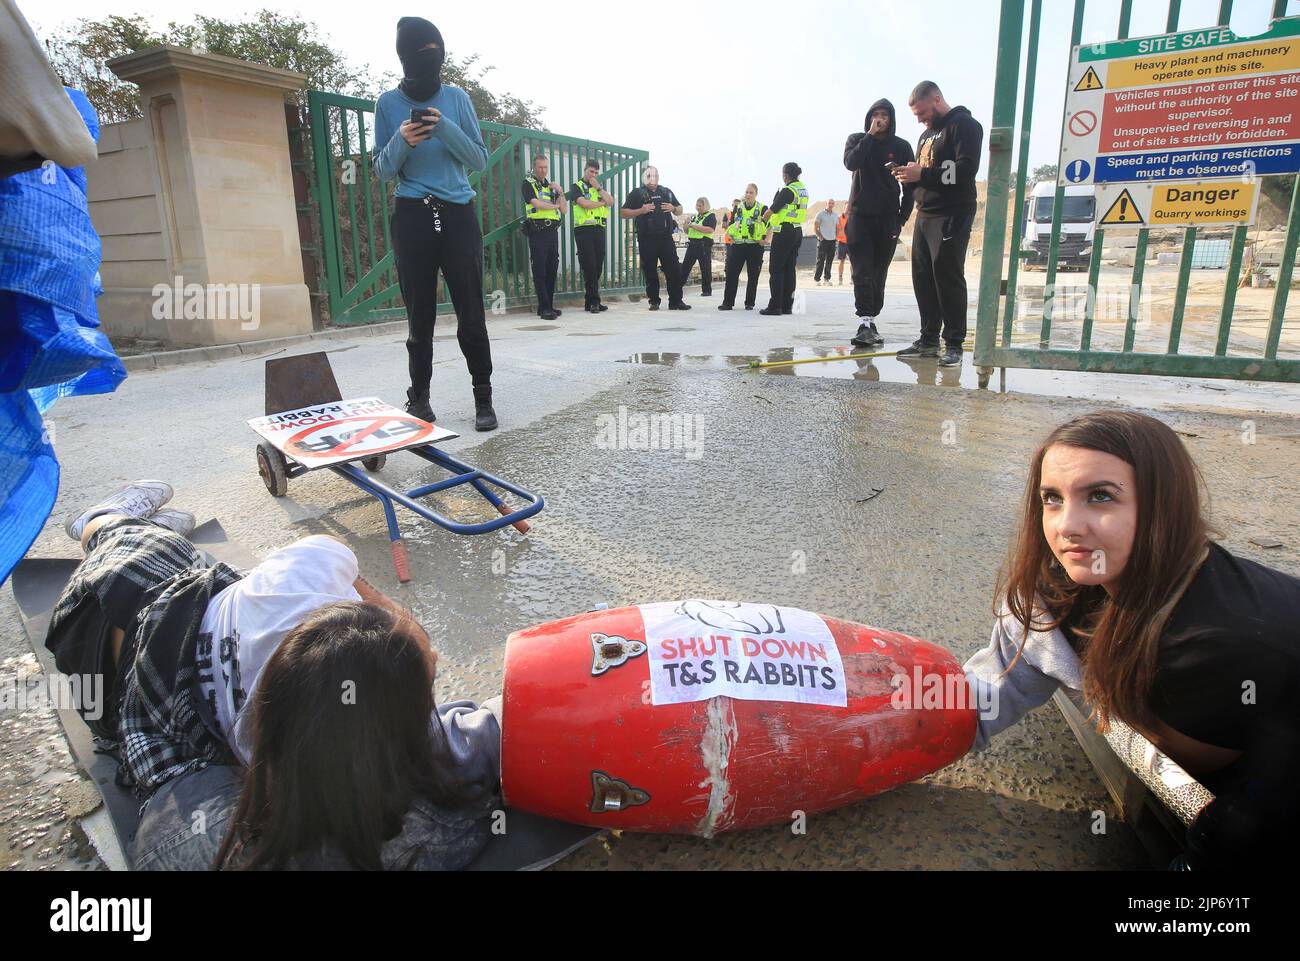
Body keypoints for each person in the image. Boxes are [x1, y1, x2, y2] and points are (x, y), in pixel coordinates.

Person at [43, 481, 501, 870]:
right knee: (130, 543)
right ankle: (103, 517)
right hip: (146, 621)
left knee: (163, 557)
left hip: (150, 644)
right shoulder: (210, 805)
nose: (435, 660)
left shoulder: (311, 571)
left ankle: (127, 524)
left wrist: (407, 638)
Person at [963, 411, 1300, 871]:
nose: (1067, 526)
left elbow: (1257, 816)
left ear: (1164, 505)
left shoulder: (1224, 642)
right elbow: (989, 689)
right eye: (1052, 499)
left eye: (1100, 496)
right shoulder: (1057, 587)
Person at [371, 17, 497, 432]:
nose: (432, 60)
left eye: (436, 52)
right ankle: (419, 400)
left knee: (471, 313)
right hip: (413, 216)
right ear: (404, 58)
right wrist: (402, 140)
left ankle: (483, 397)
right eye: (422, 53)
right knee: (418, 317)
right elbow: (383, 170)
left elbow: (478, 159)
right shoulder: (387, 104)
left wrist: (443, 125)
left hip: (458, 214)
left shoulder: (457, 99)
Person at [892, 81, 982, 368]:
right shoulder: (926, 135)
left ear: (937, 99)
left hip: (952, 212)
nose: (919, 119)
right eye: (916, 115)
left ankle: (954, 343)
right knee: (923, 278)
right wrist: (910, 174)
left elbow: (966, 170)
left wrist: (924, 173)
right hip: (926, 212)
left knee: (947, 276)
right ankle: (928, 339)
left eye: (922, 112)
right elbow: (927, 172)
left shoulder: (964, 125)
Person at [844, 98, 915, 348]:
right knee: (861, 272)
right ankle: (864, 323)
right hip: (859, 218)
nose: (880, 119)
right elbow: (851, 163)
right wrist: (869, 136)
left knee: (878, 274)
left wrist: (901, 219)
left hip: (887, 220)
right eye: (876, 115)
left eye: (884, 115)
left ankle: (872, 319)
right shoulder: (857, 140)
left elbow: (910, 188)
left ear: (891, 119)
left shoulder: (902, 146)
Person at [620, 166, 690, 311]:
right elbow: (623, 213)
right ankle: (654, 301)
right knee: (650, 271)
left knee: (673, 269)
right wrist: (641, 210)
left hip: (666, 239)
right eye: (650, 175)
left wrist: (673, 208)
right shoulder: (637, 193)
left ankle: (676, 301)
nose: (653, 178)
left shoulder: (666, 192)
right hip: (647, 239)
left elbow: (680, 209)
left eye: (656, 175)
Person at [758, 162, 808, 316]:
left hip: (784, 232)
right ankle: (787, 306)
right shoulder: (802, 190)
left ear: (785, 175)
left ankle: (775, 306)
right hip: (797, 230)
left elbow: (771, 211)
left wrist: (761, 219)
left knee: (776, 269)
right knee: (789, 269)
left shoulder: (787, 190)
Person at [521, 153, 566, 320]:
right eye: (540, 167)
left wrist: (560, 192)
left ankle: (547, 306)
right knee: (540, 270)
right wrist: (554, 204)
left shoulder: (551, 186)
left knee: (552, 269)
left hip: (552, 231)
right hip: (538, 231)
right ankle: (545, 307)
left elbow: (564, 210)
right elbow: (535, 203)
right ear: (534, 167)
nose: (543, 170)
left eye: (546, 167)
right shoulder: (528, 183)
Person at [567, 157, 614, 313]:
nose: (593, 174)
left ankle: (590, 300)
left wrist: (599, 189)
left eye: (596, 172)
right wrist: (602, 202)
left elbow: (611, 202)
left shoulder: (598, 188)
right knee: (590, 266)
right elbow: (584, 204)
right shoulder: (577, 187)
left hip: (599, 229)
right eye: (591, 171)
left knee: (598, 266)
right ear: (585, 170)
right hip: (583, 230)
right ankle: (594, 302)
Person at [717, 184, 768, 311]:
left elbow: (770, 225)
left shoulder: (762, 208)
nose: (748, 194)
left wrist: (766, 240)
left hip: (755, 245)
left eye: (751, 192)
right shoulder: (738, 207)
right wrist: (732, 236)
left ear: (756, 194)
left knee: (753, 275)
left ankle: (749, 303)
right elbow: (733, 224)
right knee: (731, 274)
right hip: (738, 245)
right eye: (747, 192)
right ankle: (727, 303)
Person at [678, 198, 717, 297]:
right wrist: (686, 224)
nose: (698, 208)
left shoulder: (710, 216)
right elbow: (687, 231)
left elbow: (710, 229)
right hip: (692, 244)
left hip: (703, 243)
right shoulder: (695, 216)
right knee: (685, 267)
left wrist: (694, 226)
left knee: (705, 268)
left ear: (705, 206)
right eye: (697, 205)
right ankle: (677, 287)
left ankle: (707, 290)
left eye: (700, 205)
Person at [812, 199, 839, 286]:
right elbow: (815, 226)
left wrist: (836, 236)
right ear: (826, 204)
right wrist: (820, 236)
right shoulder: (820, 214)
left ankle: (826, 279)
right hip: (823, 241)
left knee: (829, 261)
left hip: (832, 241)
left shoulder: (835, 215)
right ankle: (817, 279)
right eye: (829, 203)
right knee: (820, 260)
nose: (830, 205)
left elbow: (837, 227)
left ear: (833, 205)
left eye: (832, 203)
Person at [835, 208, 850, 285]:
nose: (847, 209)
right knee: (841, 261)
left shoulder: (852, 217)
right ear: (844, 208)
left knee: (853, 262)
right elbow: (836, 228)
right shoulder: (839, 218)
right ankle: (840, 278)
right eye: (846, 208)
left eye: (849, 207)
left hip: (851, 242)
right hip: (841, 242)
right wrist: (837, 237)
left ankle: (852, 279)